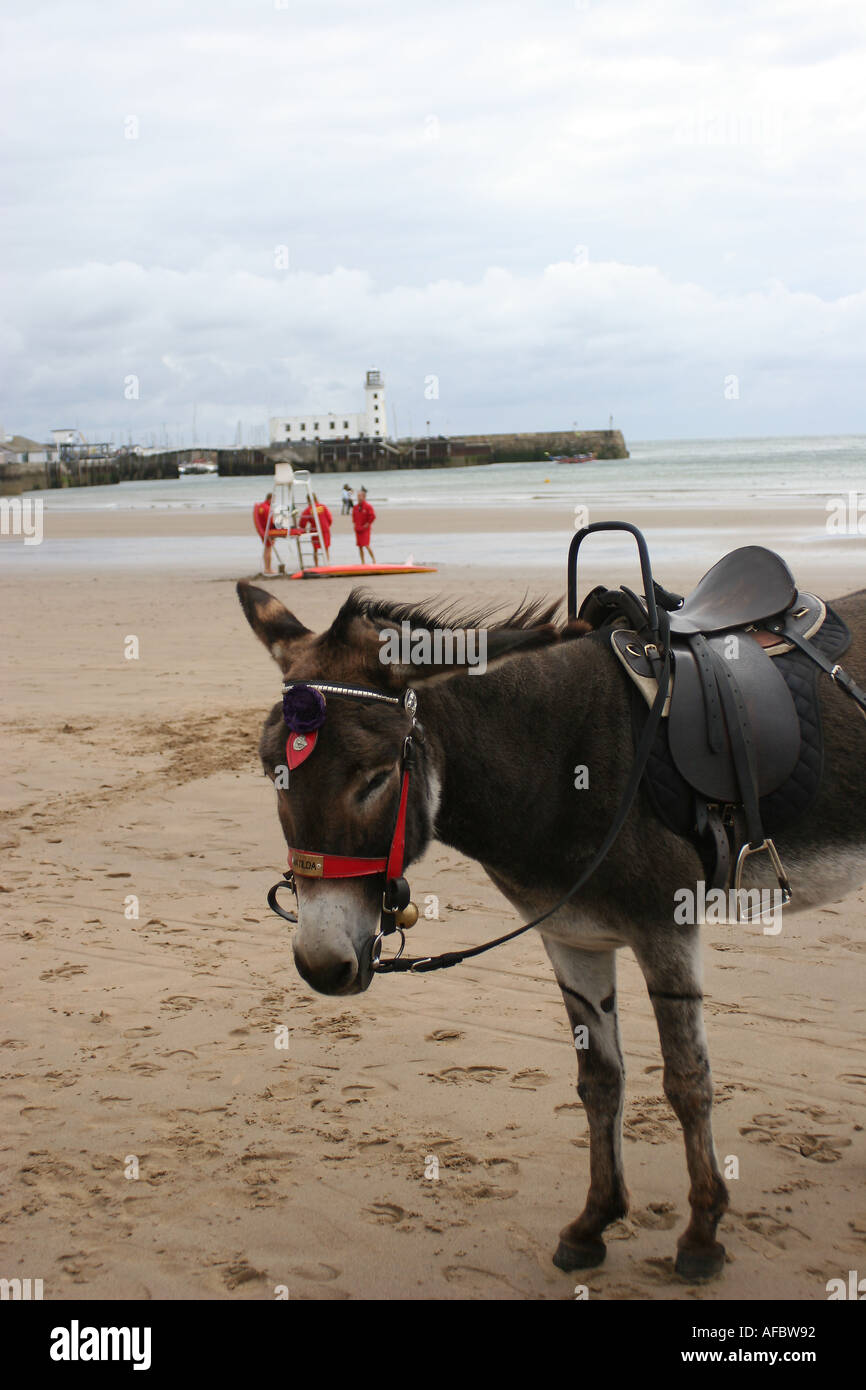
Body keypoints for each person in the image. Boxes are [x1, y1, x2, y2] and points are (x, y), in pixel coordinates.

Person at [299, 493, 332, 564]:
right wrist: (327, 526)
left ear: (308, 500)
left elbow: (302, 522)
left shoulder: (309, 509)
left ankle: (316, 565)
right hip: (325, 530)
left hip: (315, 530)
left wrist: (303, 529)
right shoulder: (323, 507)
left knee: (315, 549)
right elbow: (329, 519)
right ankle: (327, 564)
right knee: (326, 549)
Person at [253, 492, 279, 574]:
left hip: (262, 530)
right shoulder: (267, 508)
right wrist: (275, 532)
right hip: (267, 531)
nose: (274, 501)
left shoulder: (261, 506)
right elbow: (270, 522)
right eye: (273, 499)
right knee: (268, 550)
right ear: (270, 499)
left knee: (266, 549)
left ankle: (267, 568)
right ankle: (268, 569)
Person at [352, 485, 376, 564]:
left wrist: (368, 524)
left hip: (365, 529)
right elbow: (354, 517)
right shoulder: (355, 507)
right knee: (360, 546)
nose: (359, 498)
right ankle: (363, 562)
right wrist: (355, 525)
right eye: (358, 496)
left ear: (364, 497)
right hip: (358, 528)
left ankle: (373, 560)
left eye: (360, 496)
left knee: (366, 545)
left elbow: (372, 516)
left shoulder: (368, 506)